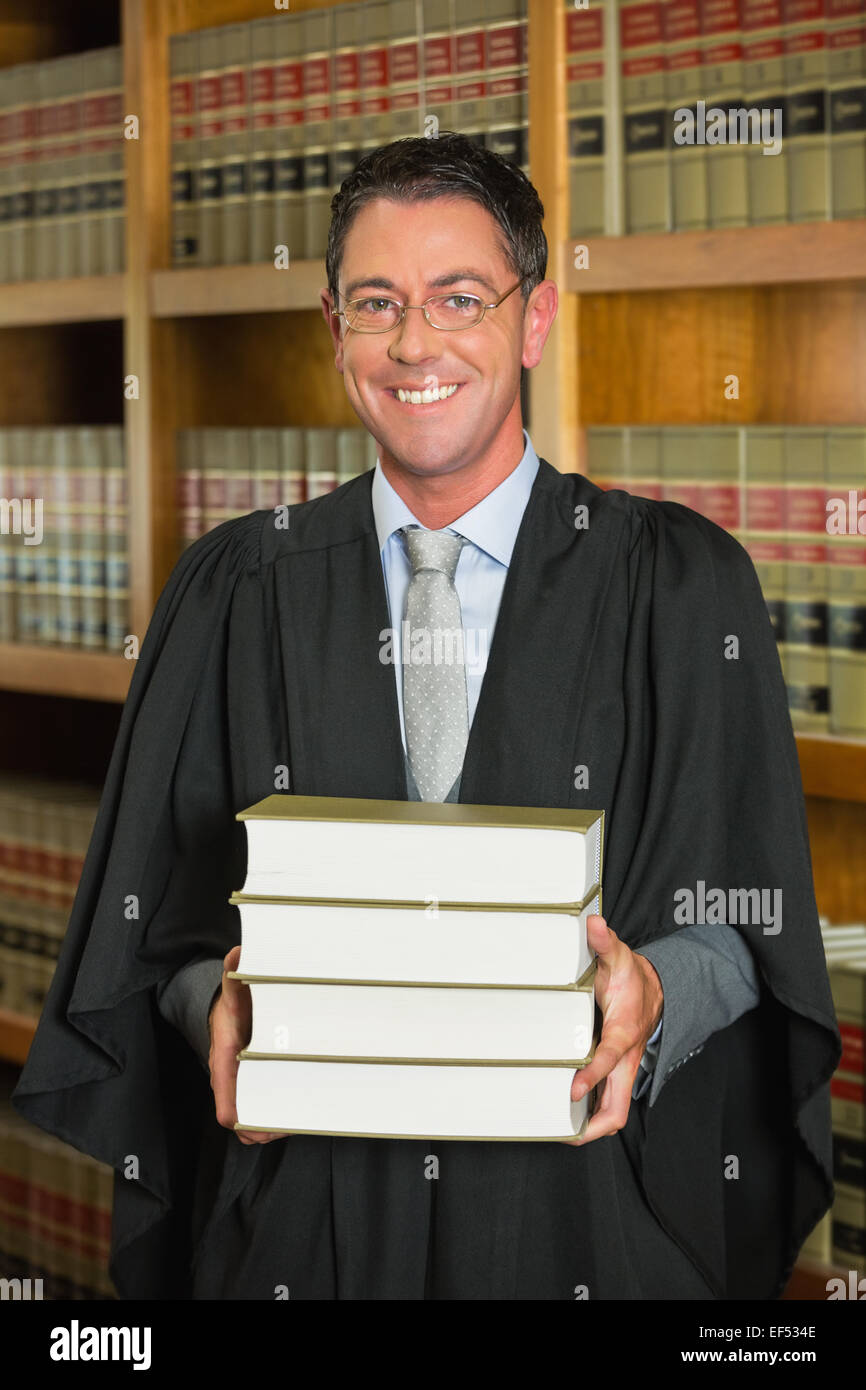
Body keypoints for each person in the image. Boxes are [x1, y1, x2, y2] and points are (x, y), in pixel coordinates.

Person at [13, 134, 840, 1301]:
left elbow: (752, 930)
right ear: (332, 327)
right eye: (375, 304)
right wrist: (222, 1005)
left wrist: (653, 998)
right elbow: (155, 938)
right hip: (307, 1225)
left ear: (533, 318)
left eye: (459, 299)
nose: (414, 344)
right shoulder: (235, 591)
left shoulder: (680, 584)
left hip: (590, 1220)